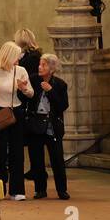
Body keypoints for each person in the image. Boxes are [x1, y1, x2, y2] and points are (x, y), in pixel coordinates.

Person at [0, 40, 35, 200]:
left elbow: (31, 94)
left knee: (17, 152)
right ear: (8, 56)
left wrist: (24, 88)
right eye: (16, 55)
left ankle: (17, 190)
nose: (19, 58)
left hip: (16, 113)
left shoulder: (21, 70)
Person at [24, 53, 70, 200]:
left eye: (43, 65)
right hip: (35, 124)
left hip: (52, 125)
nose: (39, 67)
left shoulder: (60, 85)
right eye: (40, 64)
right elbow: (26, 98)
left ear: (51, 68)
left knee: (57, 160)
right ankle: (40, 189)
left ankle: (62, 190)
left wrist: (50, 91)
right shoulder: (33, 80)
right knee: (36, 159)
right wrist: (23, 89)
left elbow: (62, 105)